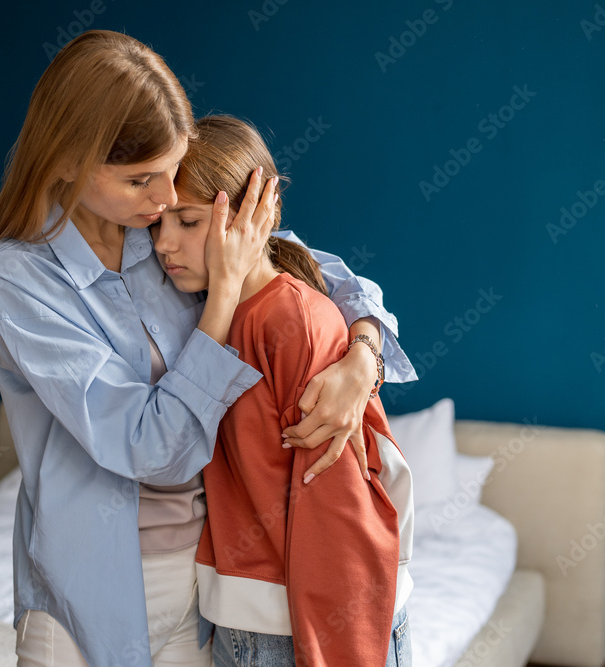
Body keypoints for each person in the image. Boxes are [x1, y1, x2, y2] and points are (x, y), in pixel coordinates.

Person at [0, 30, 415, 667]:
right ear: (66, 161)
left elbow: (325, 274)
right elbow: (152, 450)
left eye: (172, 174)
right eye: (141, 180)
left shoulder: (163, 234)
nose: (166, 198)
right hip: (88, 596)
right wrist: (224, 300)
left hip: (211, 582)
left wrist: (362, 357)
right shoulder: (21, 278)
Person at [149, 115, 414, 667]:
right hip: (247, 621)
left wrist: (343, 648)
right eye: (157, 224)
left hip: (309, 628)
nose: (163, 244)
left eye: (189, 221)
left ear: (254, 216)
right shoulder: (216, 314)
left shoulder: (290, 316)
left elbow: (337, 503)